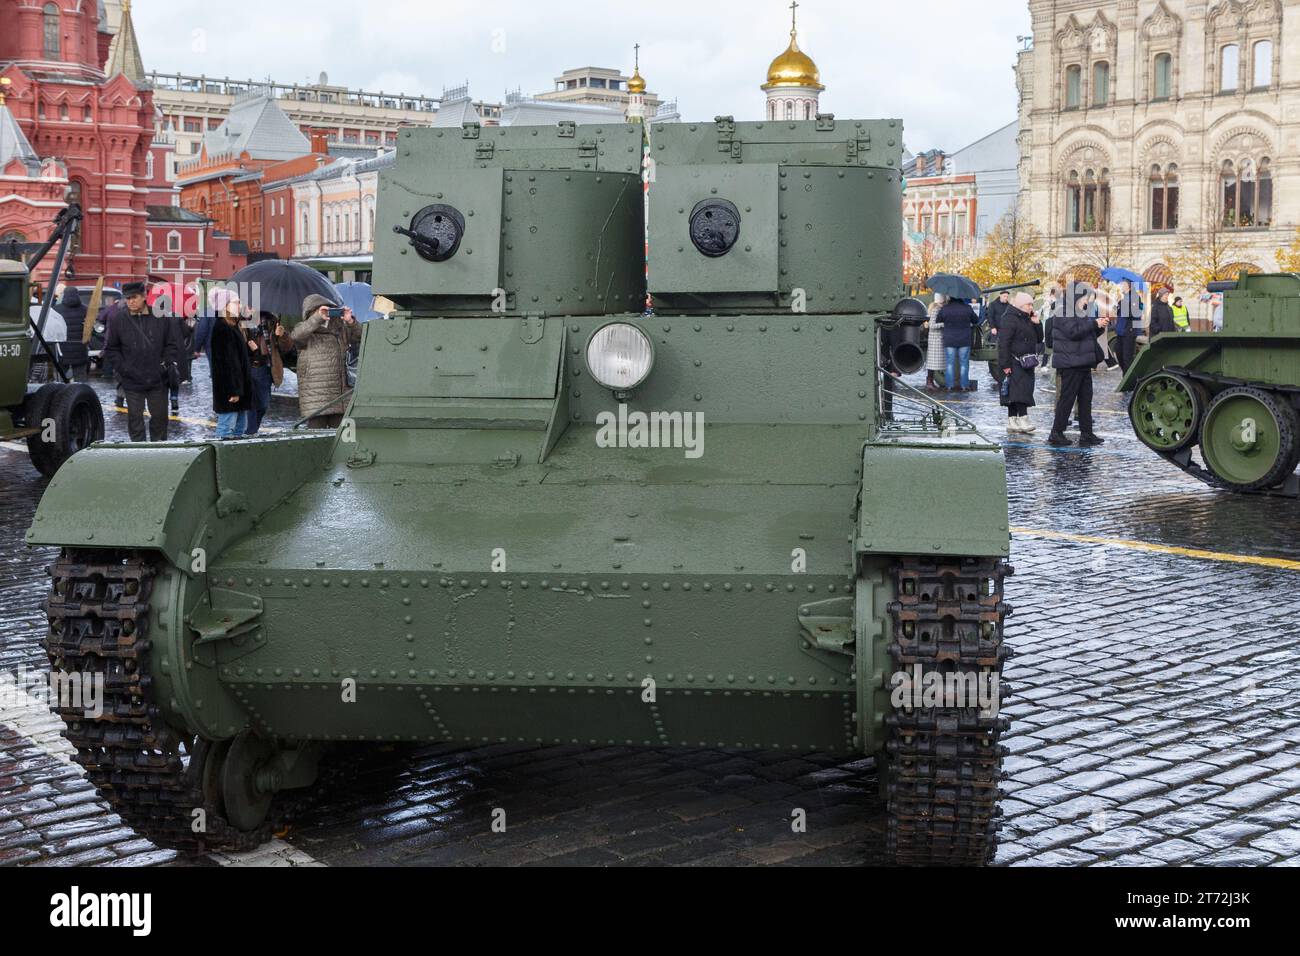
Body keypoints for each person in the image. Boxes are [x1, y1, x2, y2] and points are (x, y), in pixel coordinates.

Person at [103, 281, 180, 442]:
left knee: (159, 420)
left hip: (158, 379)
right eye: (128, 298)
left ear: (144, 297)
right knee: (135, 422)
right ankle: (138, 454)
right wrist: (124, 369)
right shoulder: (119, 319)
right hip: (132, 380)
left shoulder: (160, 316)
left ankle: (158, 454)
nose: (131, 301)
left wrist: (165, 364)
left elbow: (172, 344)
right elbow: (111, 348)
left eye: (134, 297)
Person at [1048, 282, 1109, 448]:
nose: (1087, 301)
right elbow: (1073, 332)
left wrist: (1099, 327)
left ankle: (1086, 433)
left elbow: (1086, 333)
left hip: (1082, 361)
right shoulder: (1063, 311)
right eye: (1085, 298)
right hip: (1070, 362)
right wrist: (1093, 324)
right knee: (1067, 399)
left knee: (1085, 400)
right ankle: (1056, 432)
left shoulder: (1079, 311)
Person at [292, 294, 359, 428]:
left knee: (342, 437)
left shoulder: (341, 329)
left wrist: (351, 322)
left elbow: (361, 337)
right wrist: (317, 317)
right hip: (316, 397)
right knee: (315, 436)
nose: (326, 311)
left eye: (329, 309)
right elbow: (297, 335)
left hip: (340, 396)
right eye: (319, 309)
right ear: (310, 312)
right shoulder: (306, 331)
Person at [999, 292, 1044, 435]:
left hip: (1027, 361)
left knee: (1019, 390)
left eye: (1031, 304)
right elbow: (1004, 343)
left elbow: (1039, 338)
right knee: (1017, 391)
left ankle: (1013, 420)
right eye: (1028, 304)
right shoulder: (1009, 319)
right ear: (1020, 305)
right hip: (1014, 361)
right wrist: (1005, 364)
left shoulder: (1027, 318)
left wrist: (1037, 323)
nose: (1031, 307)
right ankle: (1022, 418)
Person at [209, 294, 254, 439]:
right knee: (226, 429)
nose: (240, 305)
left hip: (239, 387)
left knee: (239, 429)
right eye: (236, 302)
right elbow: (227, 363)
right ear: (225, 306)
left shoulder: (233, 325)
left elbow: (238, 357)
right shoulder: (223, 328)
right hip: (230, 388)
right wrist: (233, 390)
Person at [243, 311, 283, 434]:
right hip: (248, 367)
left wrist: (280, 336)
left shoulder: (272, 322)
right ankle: (250, 432)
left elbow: (285, 347)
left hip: (265, 368)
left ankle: (252, 430)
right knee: (251, 405)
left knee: (263, 405)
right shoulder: (241, 323)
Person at [938, 294, 978, 391]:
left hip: (950, 339)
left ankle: (949, 386)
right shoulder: (967, 308)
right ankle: (964, 386)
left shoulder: (945, 308)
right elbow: (975, 320)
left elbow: (938, 319)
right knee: (964, 364)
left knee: (949, 364)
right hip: (964, 339)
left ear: (951, 298)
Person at [54, 286, 89, 380]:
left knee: (60, 376)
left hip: (62, 348)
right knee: (80, 376)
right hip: (80, 347)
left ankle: (60, 392)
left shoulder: (56, 309)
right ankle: (81, 393)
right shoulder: (85, 309)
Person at [924, 295, 946, 391]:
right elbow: (932, 325)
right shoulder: (935, 310)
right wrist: (944, 324)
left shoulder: (936, 309)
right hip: (935, 339)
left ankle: (930, 381)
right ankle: (929, 382)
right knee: (932, 363)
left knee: (934, 362)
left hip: (936, 338)